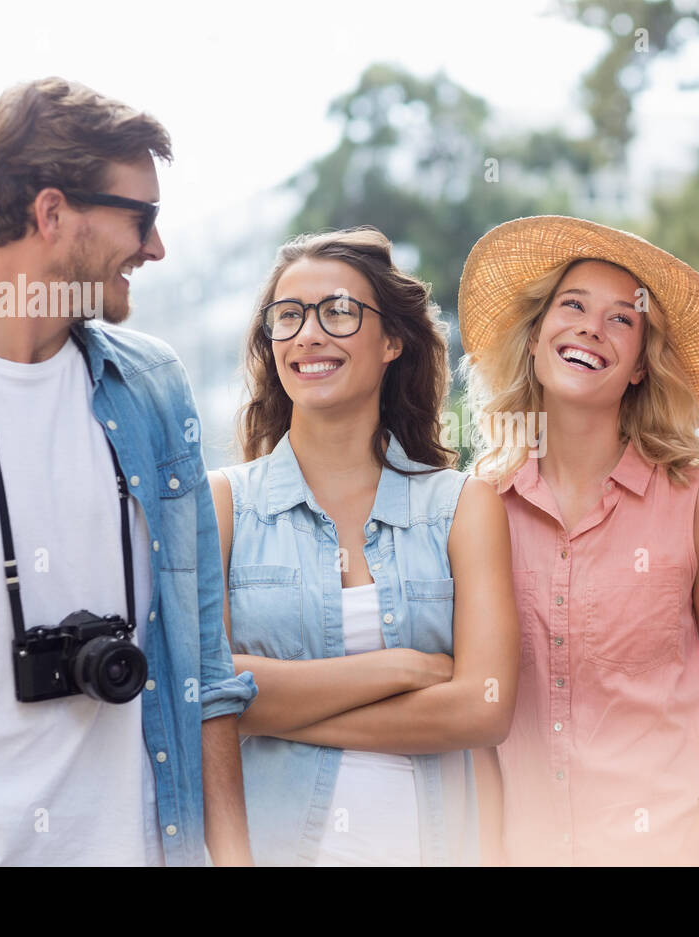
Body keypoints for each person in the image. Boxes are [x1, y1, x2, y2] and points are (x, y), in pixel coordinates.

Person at [0, 77, 256, 867]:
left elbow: (206, 667)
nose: (157, 248)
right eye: (143, 217)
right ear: (53, 212)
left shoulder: (154, 388)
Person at [209, 226, 518, 866]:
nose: (309, 334)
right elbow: (202, 689)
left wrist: (262, 710)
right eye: (288, 316)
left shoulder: (462, 506)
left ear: (393, 341)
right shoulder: (223, 505)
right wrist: (399, 668)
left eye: (339, 312)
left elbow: (484, 710)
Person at [459, 215, 699, 865]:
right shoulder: (479, 509)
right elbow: (476, 714)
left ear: (642, 366)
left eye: (623, 319)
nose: (592, 327)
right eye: (573, 306)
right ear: (534, 340)